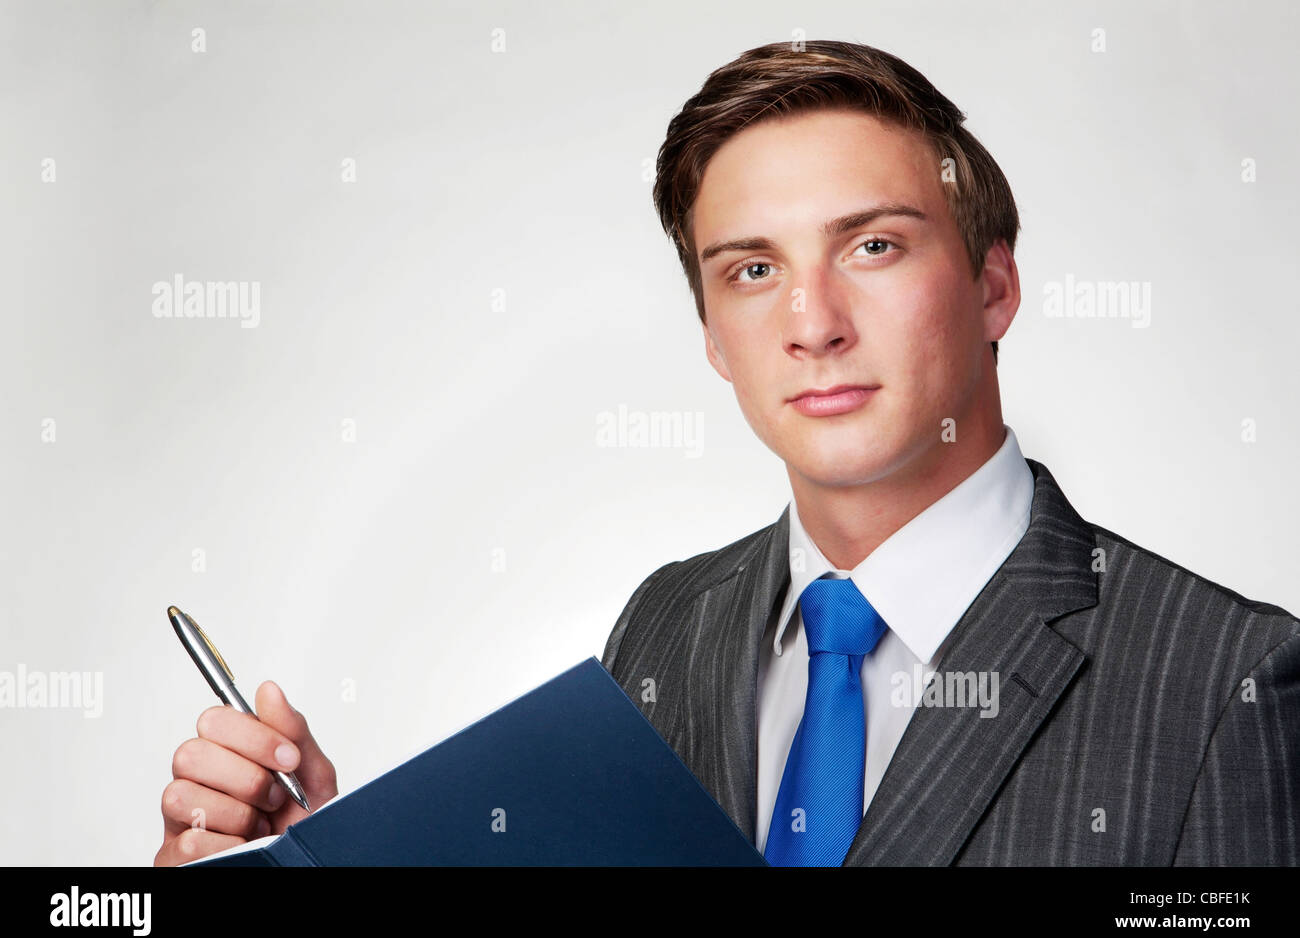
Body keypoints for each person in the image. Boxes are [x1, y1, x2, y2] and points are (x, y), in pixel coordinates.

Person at [154, 39, 1300, 867]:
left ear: (993, 283)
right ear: (711, 332)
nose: (812, 321)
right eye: (751, 269)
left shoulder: (1229, 681)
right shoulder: (667, 622)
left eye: (874, 245)